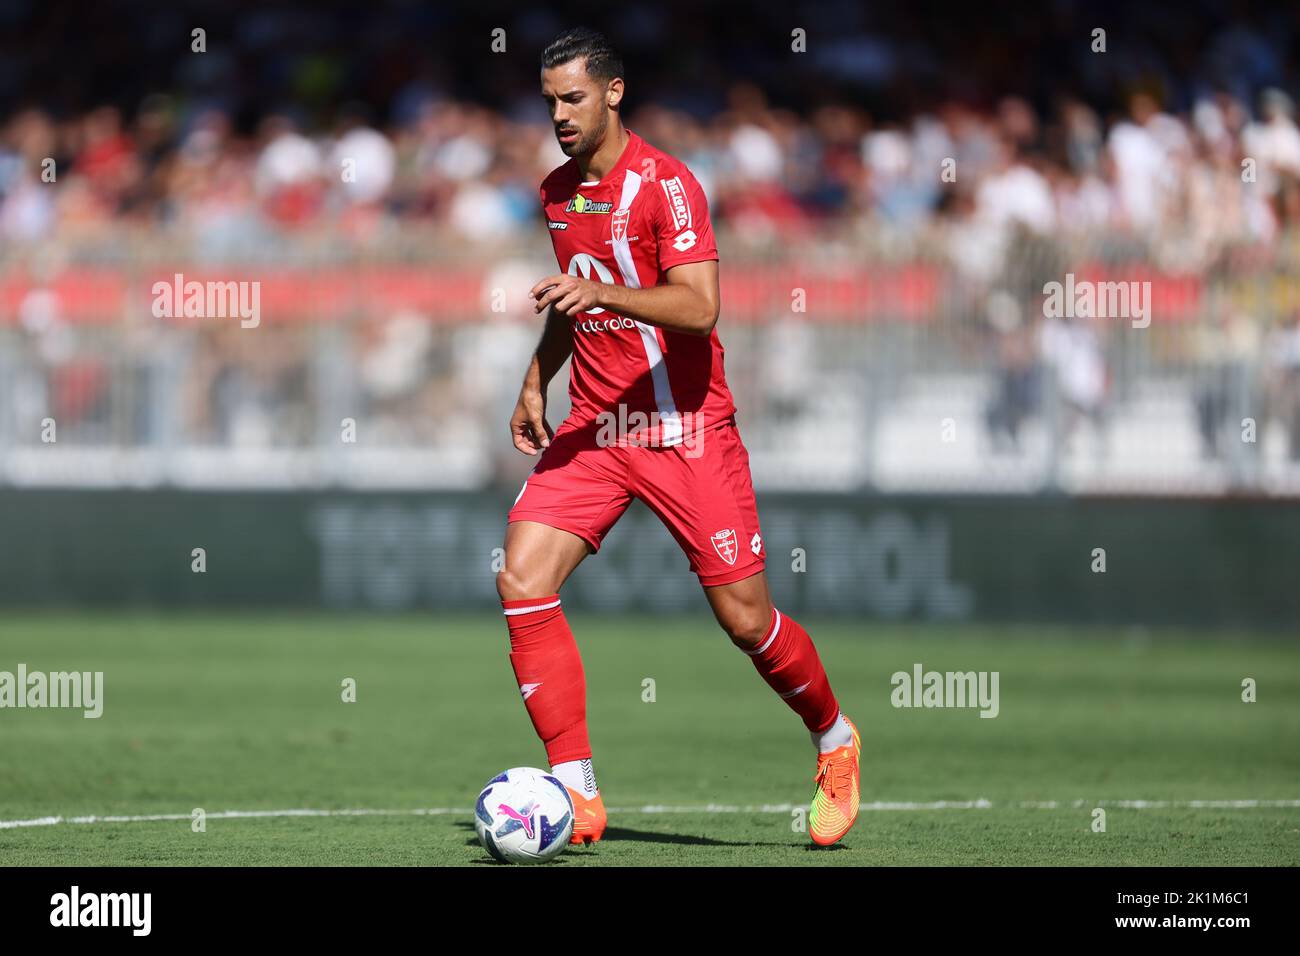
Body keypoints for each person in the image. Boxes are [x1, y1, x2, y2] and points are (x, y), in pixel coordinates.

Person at [496, 28, 860, 847]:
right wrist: (535, 377)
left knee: (744, 621)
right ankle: (575, 789)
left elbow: (699, 308)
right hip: (595, 425)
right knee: (522, 579)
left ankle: (834, 739)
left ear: (613, 93)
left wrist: (602, 292)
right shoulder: (558, 192)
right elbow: (573, 300)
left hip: (686, 428)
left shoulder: (669, 185)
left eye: (573, 98)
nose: (557, 114)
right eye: (549, 99)